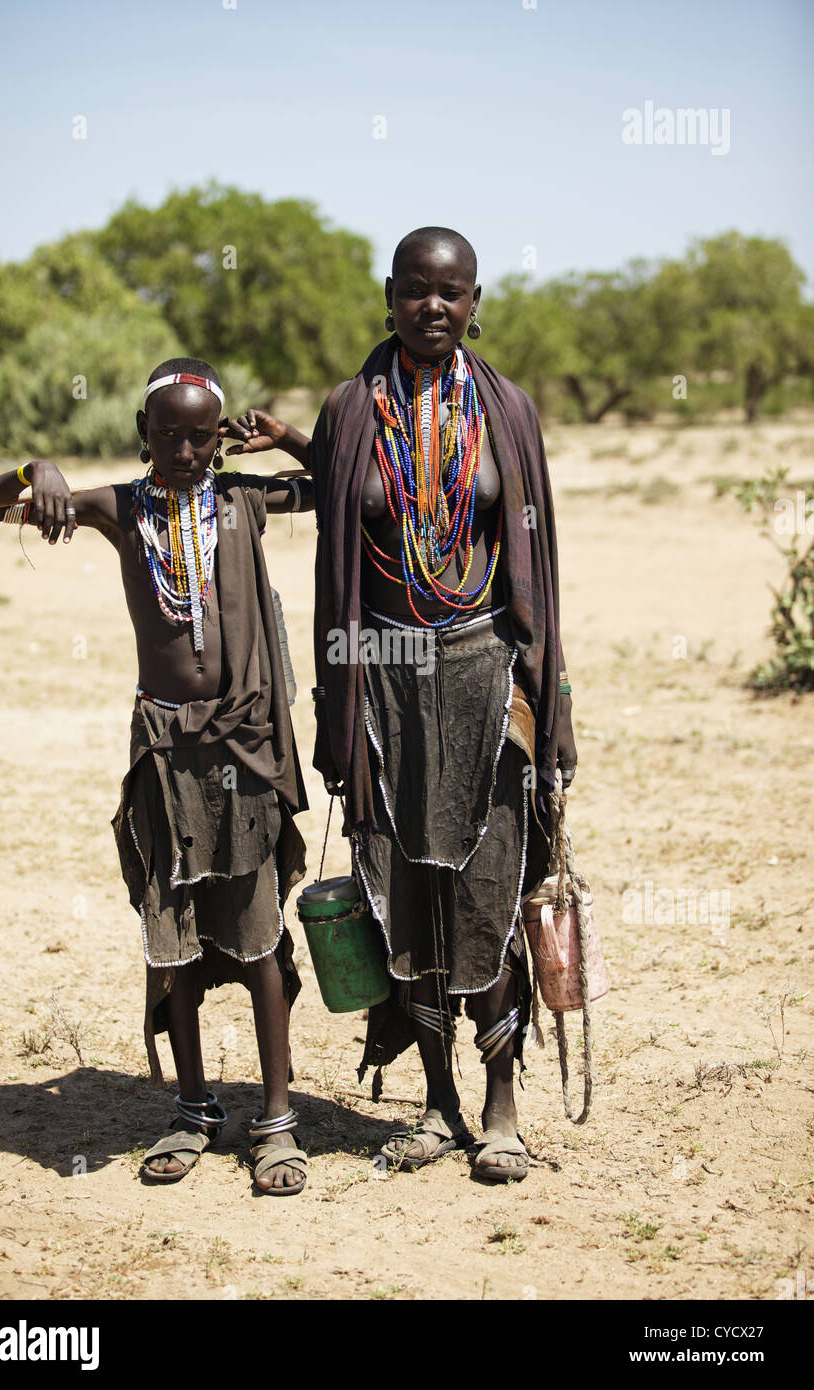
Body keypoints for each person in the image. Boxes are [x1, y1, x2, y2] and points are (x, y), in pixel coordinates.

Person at [0, 358, 315, 1193]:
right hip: (162, 744)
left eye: (204, 435)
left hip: (244, 744)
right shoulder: (118, 507)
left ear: (220, 439)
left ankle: (276, 1120)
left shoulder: (242, 499)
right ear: (142, 434)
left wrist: (288, 435)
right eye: (170, 435)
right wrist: (33, 472)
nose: (188, 450)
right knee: (174, 934)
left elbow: (337, 486)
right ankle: (193, 1109)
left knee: (259, 929)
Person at [308, 228, 578, 1181]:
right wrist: (338, 713)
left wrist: (554, 708)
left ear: (474, 301)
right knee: (406, 891)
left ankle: (502, 1109)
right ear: (389, 296)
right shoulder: (349, 412)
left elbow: (537, 574)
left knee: (493, 888)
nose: (433, 306)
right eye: (417, 290)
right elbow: (336, 553)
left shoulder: (508, 411)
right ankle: (436, 1103)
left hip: (485, 675)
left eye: (451, 292)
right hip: (383, 682)